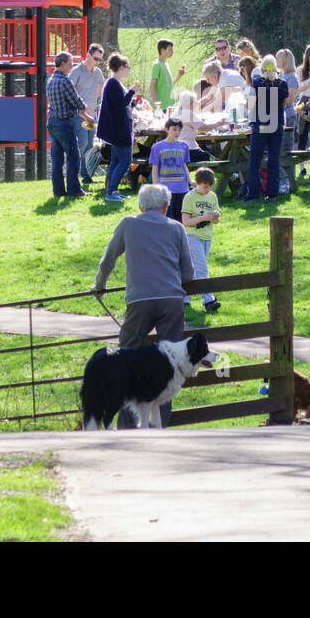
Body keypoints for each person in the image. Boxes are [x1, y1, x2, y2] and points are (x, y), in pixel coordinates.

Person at [93, 183, 197, 427]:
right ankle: (160, 425)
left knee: (127, 359)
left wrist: (100, 285)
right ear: (166, 206)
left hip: (139, 301)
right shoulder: (177, 228)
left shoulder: (128, 224)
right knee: (170, 362)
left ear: (140, 206)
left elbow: (109, 258)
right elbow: (188, 274)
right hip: (171, 301)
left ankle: (128, 426)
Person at [45, 51, 95, 198]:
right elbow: (75, 100)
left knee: (57, 160)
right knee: (73, 156)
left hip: (53, 123)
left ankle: (58, 191)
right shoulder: (65, 81)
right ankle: (74, 190)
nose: (72, 66)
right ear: (62, 64)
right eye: (70, 62)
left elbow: (68, 104)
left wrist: (84, 115)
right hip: (64, 124)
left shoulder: (51, 81)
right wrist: (86, 108)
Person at [243, 55, 288, 201]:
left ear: (262, 69)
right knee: (274, 159)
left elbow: (250, 104)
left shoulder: (257, 82)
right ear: (276, 68)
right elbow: (284, 104)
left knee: (255, 160)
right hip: (276, 123)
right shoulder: (282, 84)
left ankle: (254, 194)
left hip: (260, 123)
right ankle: (272, 193)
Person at [96, 53, 138, 202]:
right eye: (128, 66)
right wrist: (132, 91)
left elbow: (121, 104)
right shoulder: (113, 83)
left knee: (116, 160)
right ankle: (111, 191)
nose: (129, 69)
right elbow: (120, 104)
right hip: (118, 130)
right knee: (125, 160)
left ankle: (111, 190)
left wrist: (132, 102)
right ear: (121, 67)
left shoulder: (114, 83)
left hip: (117, 128)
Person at [183, 168, 222, 313]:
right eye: (205, 186)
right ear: (197, 183)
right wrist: (203, 217)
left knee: (194, 270)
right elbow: (185, 222)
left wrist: (215, 217)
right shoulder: (189, 197)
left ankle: (184, 298)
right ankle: (209, 300)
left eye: (210, 186)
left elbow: (216, 221)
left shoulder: (212, 196)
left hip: (207, 236)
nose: (208, 189)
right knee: (202, 268)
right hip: (192, 236)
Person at [69, 43, 107, 185]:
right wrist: (81, 108)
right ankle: (79, 175)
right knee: (83, 144)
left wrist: (95, 105)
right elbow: (69, 91)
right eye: (95, 58)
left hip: (92, 116)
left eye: (99, 60)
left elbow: (101, 88)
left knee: (90, 145)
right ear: (88, 55)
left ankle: (87, 176)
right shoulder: (77, 71)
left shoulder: (97, 72)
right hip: (79, 115)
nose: (97, 62)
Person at [150, 117, 192, 222]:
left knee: (180, 219)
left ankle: (179, 237)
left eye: (179, 130)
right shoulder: (157, 147)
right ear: (167, 129)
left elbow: (183, 165)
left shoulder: (184, 146)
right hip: (165, 189)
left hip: (181, 188)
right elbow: (154, 168)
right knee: (167, 219)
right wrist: (156, 185)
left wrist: (190, 180)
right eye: (174, 129)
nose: (177, 132)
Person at [175, 89, 214, 163]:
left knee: (205, 153)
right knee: (209, 157)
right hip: (189, 151)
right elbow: (205, 127)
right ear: (190, 104)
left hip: (176, 151)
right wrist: (219, 123)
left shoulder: (175, 113)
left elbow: (194, 127)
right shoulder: (188, 113)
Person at [149, 38, 187, 110]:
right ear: (162, 50)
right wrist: (157, 105)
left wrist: (179, 75)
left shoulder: (166, 64)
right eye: (170, 50)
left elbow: (169, 84)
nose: (172, 52)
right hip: (161, 107)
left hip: (170, 105)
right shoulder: (157, 65)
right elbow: (152, 86)